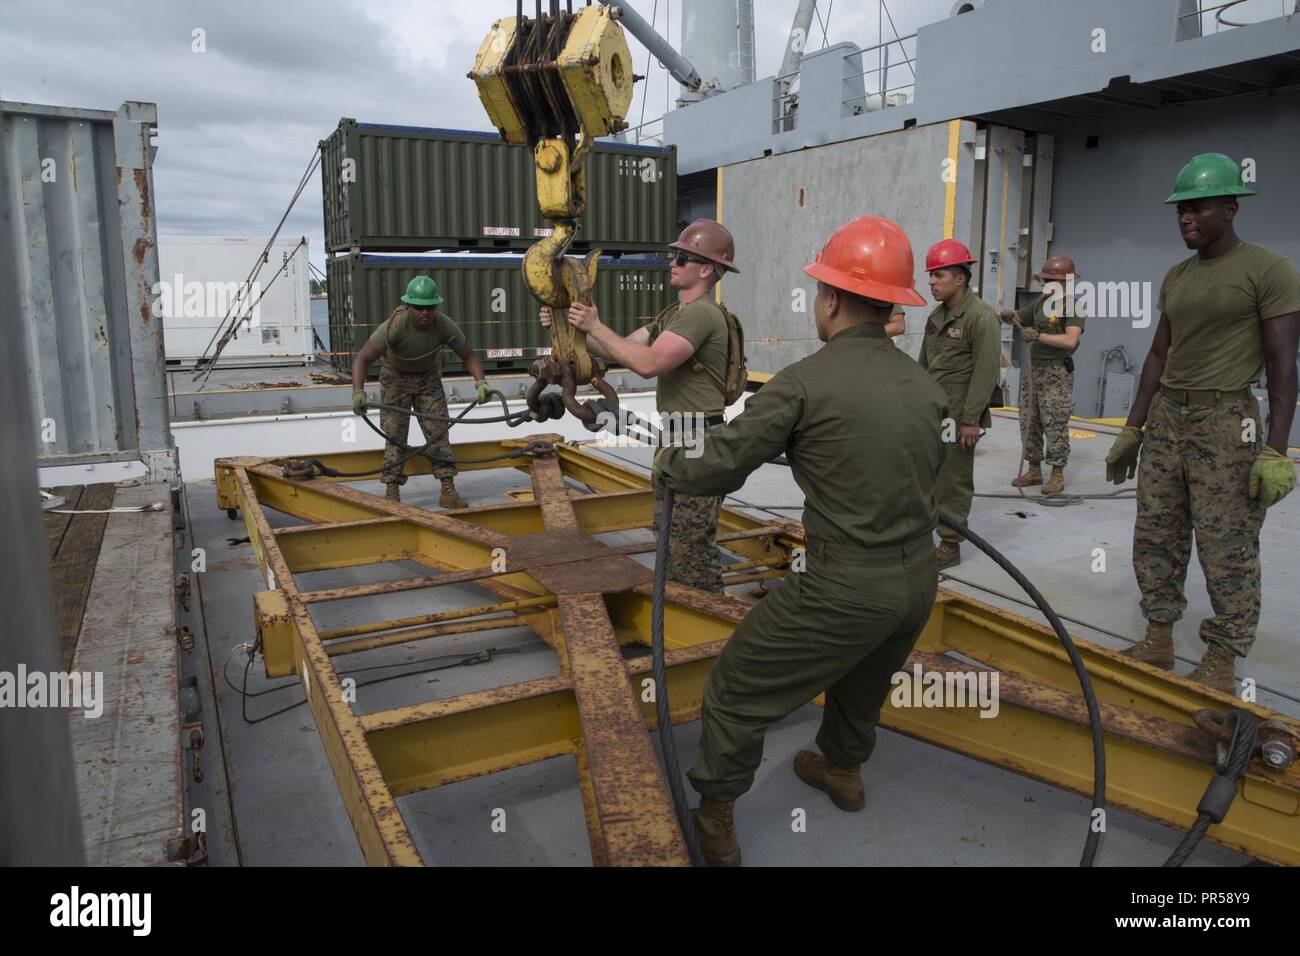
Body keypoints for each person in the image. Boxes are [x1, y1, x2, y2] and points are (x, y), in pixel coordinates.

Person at [654, 216, 948, 866]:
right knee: (863, 677)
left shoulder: (803, 382)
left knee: (735, 688)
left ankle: (716, 815)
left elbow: (718, 463)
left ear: (834, 299)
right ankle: (842, 769)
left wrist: (670, 461)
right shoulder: (926, 388)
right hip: (918, 584)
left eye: (820, 290)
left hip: (845, 586)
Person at [1109, 153, 1299, 693]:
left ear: (1231, 209)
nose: (1186, 219)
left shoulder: (1270, 271)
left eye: (1198, 208)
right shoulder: (1176, 277)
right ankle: (1159, 635)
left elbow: (1286, 366)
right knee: (1157, 530)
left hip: (1226, 418)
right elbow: (1156, 356)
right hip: (1169, 415)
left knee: (1227, 542)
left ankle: (1223, 652)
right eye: (1180, 211)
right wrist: (1133, 428)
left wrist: (1276, 450)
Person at [540, 218, 739, 593]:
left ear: (707, 269)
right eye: (675, 256)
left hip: (699, 438)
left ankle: (707, 616)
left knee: (690, 545)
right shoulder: (674, 315)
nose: (673, 262)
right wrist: (569, 328)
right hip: (679, 436)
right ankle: (681, 607)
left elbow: (648, 365)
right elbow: (621, 349)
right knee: (669, 534)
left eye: (683, 257)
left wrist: (595, 326)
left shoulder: (701, 315)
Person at [350, 276, 489, 507]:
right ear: (408, 306)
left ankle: (447, 489)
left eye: (429, 308)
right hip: (395, 379)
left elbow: (469, 356)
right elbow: (363, 358)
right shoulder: (395, 326)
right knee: (394, 434)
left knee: (438, 432)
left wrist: (481, 382)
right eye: (418, 308)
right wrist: (357, 391)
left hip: (428, 379)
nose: (424, 313)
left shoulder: (444, 326)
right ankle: (392, 491)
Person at [918, 239, 1001, 570]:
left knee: (953, 479)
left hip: (959, 414)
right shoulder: (937, 317)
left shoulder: (981, 318)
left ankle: (950, 545)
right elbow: (923, 366)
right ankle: (924, 533)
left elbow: (986, 372)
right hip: (932, 411)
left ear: (960, 278)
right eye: (931, 276)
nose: (932, 282)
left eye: (939, 275)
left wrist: (971, 420)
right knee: (926, 475)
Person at [1000, 255, 1086, 495]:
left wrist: (1038, 336)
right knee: (1029, 419)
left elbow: (1070, 339)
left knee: (1055, 422)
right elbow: (1021, 317)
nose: (1047, 283)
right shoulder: (1040, 304)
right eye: (1045, 279)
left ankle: (1057, 474)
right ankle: (1034, 469)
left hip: (1056, 372)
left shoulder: (1073, 306)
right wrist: (1011, 315)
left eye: (1052, 280)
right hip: (1034, 370)